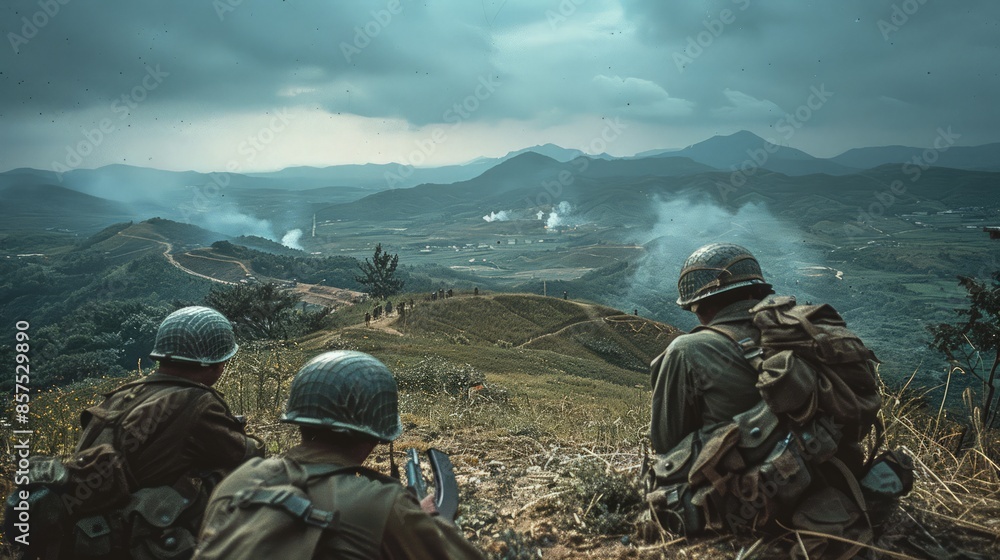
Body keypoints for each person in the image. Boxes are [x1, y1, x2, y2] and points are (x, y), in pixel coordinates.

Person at [647, 243, 881, 558]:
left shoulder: (686, 350)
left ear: (700, 306)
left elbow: (666, 447)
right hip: (833, 484)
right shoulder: (801, 337)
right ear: (756, 292)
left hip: (753, 502)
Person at [195, 350, 487, 559]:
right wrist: (427, 522)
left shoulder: (238, 482)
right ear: (377, 435)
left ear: (299, 420)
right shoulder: (382, 504)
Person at [75, 305, 265, 559]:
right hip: (132, 539)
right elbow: (246, 455)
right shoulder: (198, 402)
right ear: (214, 365)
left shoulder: (121, 395)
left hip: (88, 533)